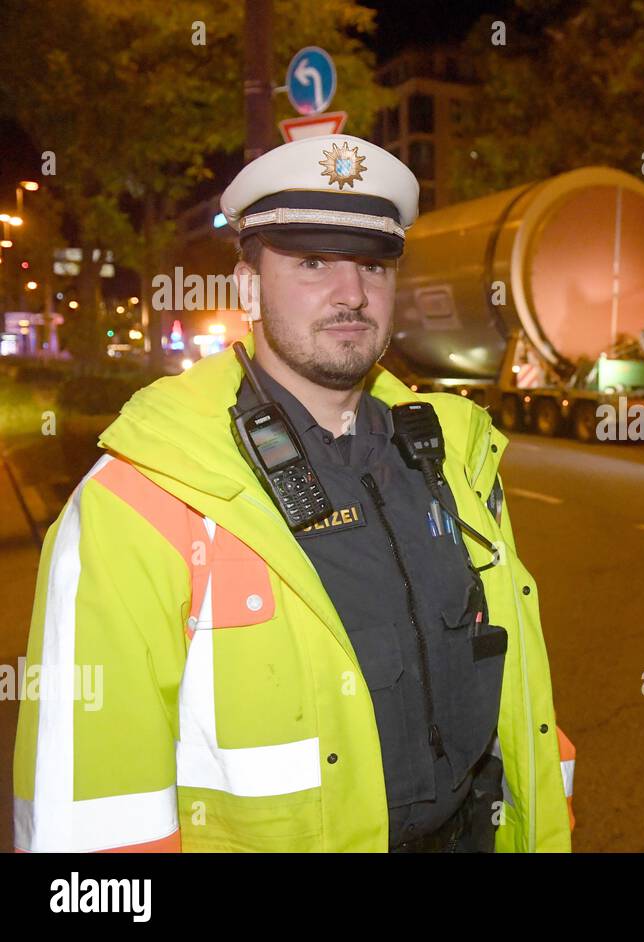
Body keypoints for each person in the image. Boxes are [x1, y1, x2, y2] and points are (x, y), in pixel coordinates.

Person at [13, 135, 575, 852]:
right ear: (248, 287)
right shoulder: (145, 495)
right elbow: (85, 822)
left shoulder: (454, 460)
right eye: (312, 262)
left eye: (372, 265)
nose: (351, 294)